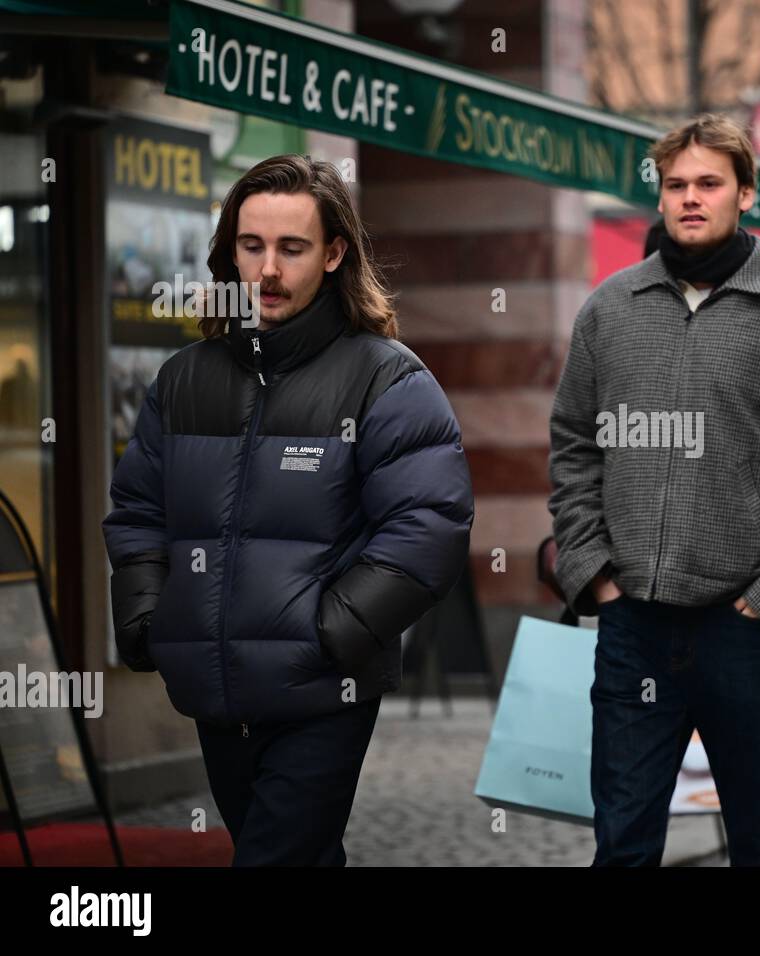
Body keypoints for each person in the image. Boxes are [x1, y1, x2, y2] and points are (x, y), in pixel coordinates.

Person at [103, 155, 473, 866]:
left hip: (322, 694)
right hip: (215, 695)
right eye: (251, 246)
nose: (267, 270)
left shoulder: (387, 378)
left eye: (291, 248)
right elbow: (137, 512)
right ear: (229, 251)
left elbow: (430, 525)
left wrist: (329, 633)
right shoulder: (183, 381)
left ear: (334, 254)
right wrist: (151, 621)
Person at [549, 114, 760, 866]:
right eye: (675, 185)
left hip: (746, 630)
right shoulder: (609, 310)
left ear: (746, 193)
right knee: (622, 842)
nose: (690, 198)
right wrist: (594, 576)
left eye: (709, 183)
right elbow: (572, 446)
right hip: (634, 630)